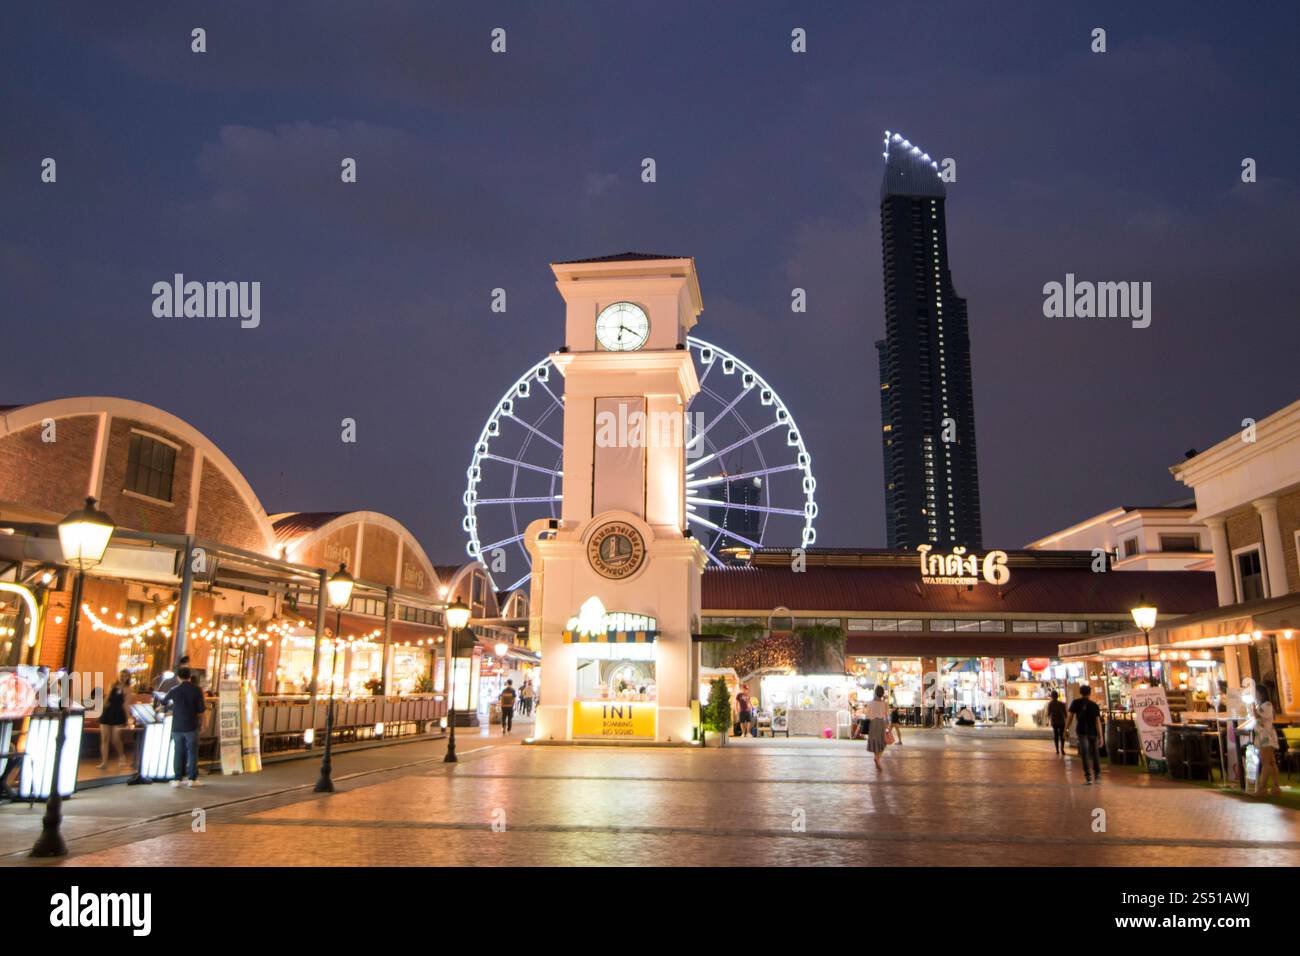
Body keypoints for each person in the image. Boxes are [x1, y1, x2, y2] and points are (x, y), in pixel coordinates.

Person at [162, 666, 206, 787]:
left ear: (178, 677)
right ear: (190, 676)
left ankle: (177, 778)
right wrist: (203, 724)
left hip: (177, 725)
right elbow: (201, 710)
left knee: (178, 751)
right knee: (192, 752)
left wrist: (171, 707)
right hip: (191, 725)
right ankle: (192, 778)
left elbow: (163, 702)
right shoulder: (197, 690)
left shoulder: (174, 690)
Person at [1065, 684, 1103, 784]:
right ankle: (1098, 776)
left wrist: (1066, 729)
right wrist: (1101, 736)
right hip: (1093, 732)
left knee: (1085, 755)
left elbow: (1070, 717)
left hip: (1082, 732)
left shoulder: (1075, 703)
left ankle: (1088, 778)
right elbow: (1097, 722)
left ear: (1080, 692)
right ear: (1090, 693)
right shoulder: (1094, 705)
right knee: (1095, 754)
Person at [97, 669, 132, 769]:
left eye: (125, 676)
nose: (122, 677)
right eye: (121, 675)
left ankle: (121, 756)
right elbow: (107, 698)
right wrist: (101, 710)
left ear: (128, 678)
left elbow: (126, 704)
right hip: (108, 712)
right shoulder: (112, 685)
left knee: (116, 738)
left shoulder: (127, 689)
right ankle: (104, 762)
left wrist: (128, 717)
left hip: (118, 714)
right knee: (105, 738)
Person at [1252, 686, 1282, 797]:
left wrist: (1253, 708)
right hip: (1264, 736)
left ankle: (1262, 788)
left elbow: (1258, 716)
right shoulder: (1264, 705)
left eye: (1256, 693)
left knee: (1266, 762)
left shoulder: (1266, 705)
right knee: (1271, 762)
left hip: (1266, 737)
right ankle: (1275, 787)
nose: (1255, 695)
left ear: (1261, 694)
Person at [865, 684, 891, 769]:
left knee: (875, 741)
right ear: (883, 693)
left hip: (872, 723)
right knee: (883, 742)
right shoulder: (885, 703)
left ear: (875, 693)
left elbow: (867, 716)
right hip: (881, 723)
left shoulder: (870, 703)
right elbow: (887, 716)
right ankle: (877, 758)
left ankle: (876, 758)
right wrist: (888, 726)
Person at [1046, 690, 1068, 756]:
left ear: (1052, 696)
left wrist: (1047, 722)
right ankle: (1062, 749)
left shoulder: (1050, 704)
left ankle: (1057, 750)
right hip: (1061, 721)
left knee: (1055, 735)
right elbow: (1065, 714)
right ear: (1057, 696)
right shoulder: (1062, 703)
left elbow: (1048, 713)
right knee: (1062, 735)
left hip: (1054, 721)